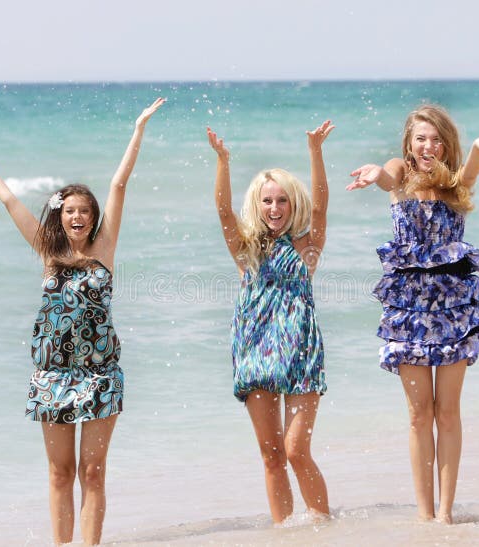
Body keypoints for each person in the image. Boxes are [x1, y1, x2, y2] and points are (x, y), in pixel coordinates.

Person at [0, 97, 164, 545]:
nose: (78, 217)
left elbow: (119, 184)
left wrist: (138, 128)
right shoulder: (47, 251)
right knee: (61, 473)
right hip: (54, 375)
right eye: (70, 211)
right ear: (60, 218)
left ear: (93, 216)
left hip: (100, 373)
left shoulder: (104, 250)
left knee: (93, 471)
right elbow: (8, 199)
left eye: (84, 210)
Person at [347, 104, 479, 524]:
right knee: (419, 415)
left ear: (447, 144)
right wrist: (374, 174)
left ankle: (445, 514)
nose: (428, 145)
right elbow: (388, 176)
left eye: (437, 138)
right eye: (421, 138)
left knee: (448, 412)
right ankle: (424, 515)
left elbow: (472, 170)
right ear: (409, 142)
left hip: (453, 309)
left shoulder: (454, 185)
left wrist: (478, 146)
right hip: (408, 309)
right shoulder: (399, 175)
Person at [206, 120, 334, 525]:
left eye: (282, 201)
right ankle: (284, 531)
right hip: (255, 350)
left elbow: (320, 207)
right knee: (272, 454)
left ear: (291, 205)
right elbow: (224, 211)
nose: (275, 208)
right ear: (257, 206)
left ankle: (322, 525)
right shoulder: (245, 251)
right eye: (267, 201)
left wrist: (315, 151)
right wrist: (223, 162)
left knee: (296, 449)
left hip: (300, 352)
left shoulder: (306, 246)